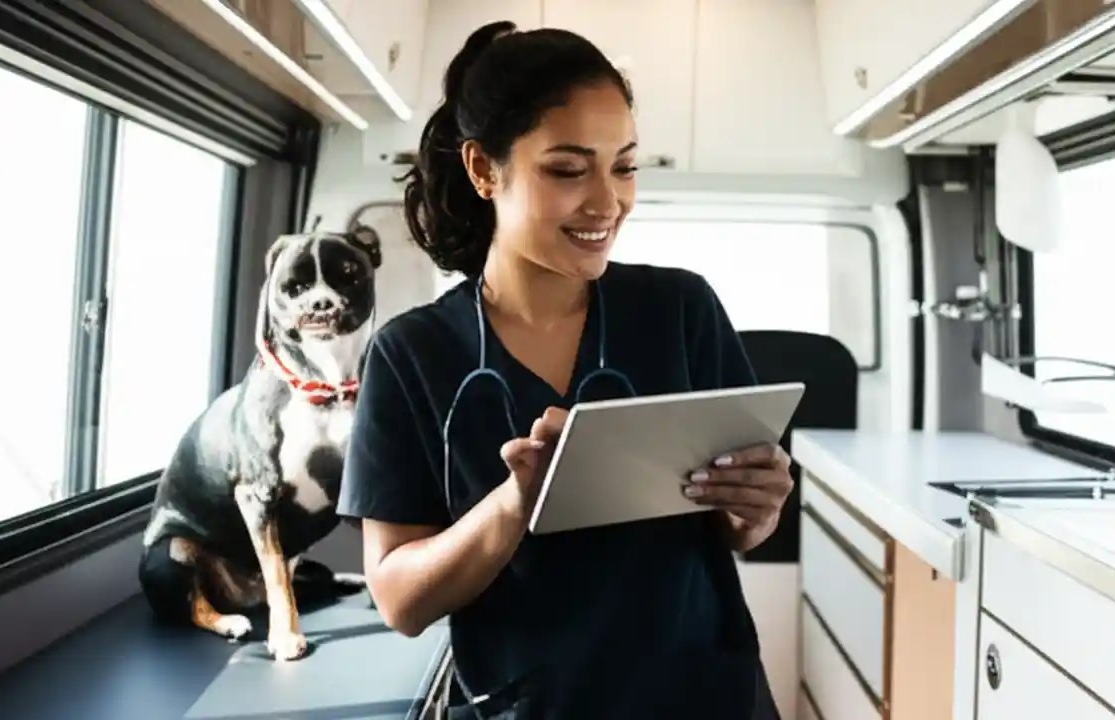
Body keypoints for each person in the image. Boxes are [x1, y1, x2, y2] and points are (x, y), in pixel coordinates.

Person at [337, 19, 794, 719]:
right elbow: (399, 597)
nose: (607, 202)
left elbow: (736, 525)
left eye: (625, 166)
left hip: (707, 698)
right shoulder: (412, 354)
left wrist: (757, 505)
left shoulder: (680, 310)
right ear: (485, 170)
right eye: (567, 170)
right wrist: (515, 504)